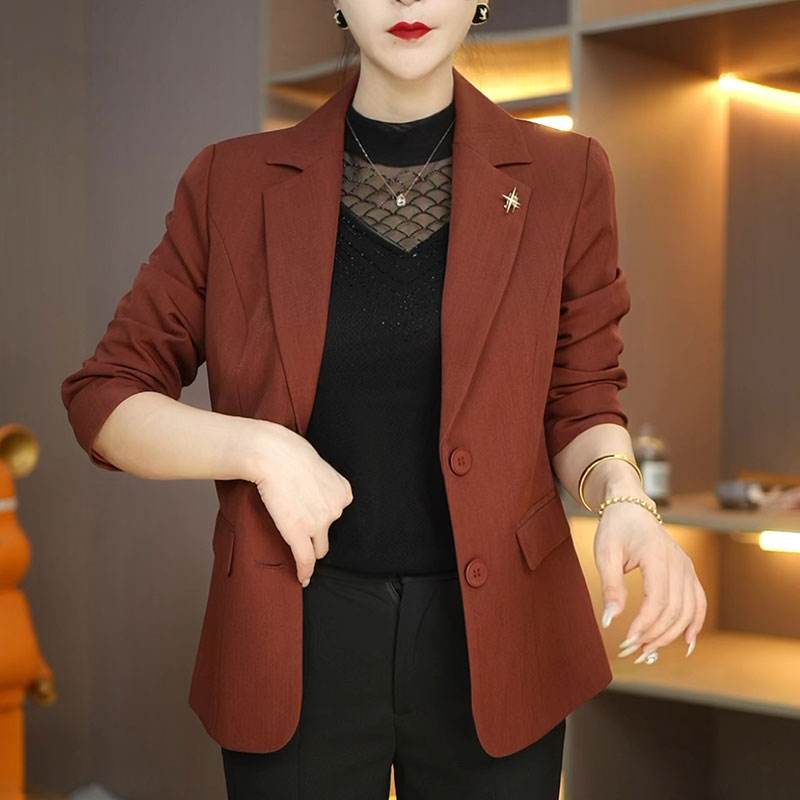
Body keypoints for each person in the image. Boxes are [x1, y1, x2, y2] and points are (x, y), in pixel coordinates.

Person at [61, 0, 707, 797]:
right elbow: (105, 398)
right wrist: (261, 450)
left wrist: (625, 498)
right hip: (293, 636)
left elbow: (582, 401)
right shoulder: (228, 182)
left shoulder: (568, 176)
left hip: (501, 637)